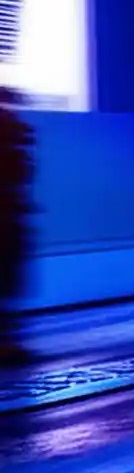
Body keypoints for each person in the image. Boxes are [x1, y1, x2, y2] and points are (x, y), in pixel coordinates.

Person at [0, 87, 31, 363]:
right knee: (8, 284)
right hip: (7, 220)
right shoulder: (14, 135)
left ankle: (9, 342)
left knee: (9, 284)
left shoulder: (17, 134)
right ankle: (7, 344)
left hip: (10, 218)